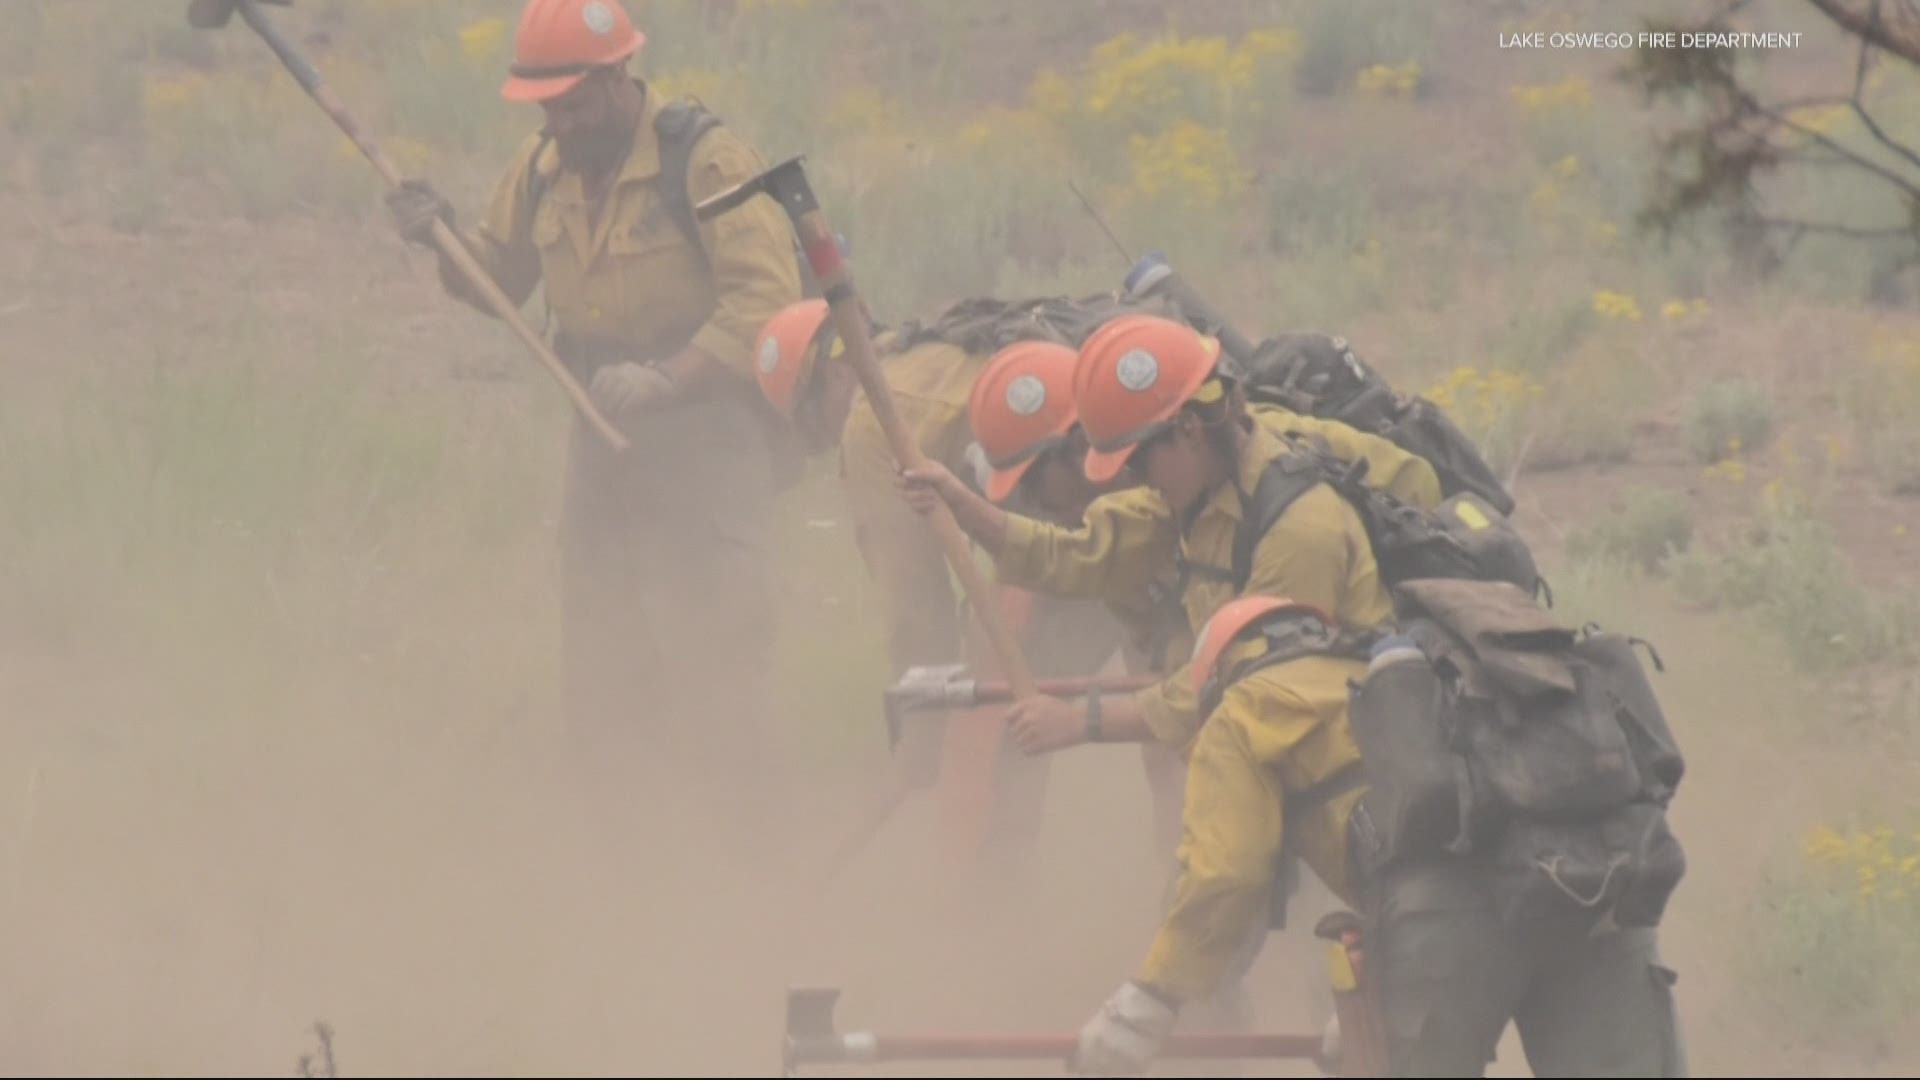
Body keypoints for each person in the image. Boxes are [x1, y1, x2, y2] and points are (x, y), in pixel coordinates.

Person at [383, 0, 802, 814]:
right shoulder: (544, 166)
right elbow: (498, 281)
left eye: (574, 104)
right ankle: (625, 868)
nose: (561, 123)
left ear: (618, 79)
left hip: (706, 434)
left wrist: (667, 378)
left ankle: (760, 870)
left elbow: (767, 303)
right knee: (606, 666)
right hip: (602, 441)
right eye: (548, 107)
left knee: (723, 662)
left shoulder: (706, 161)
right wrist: (439, 241)